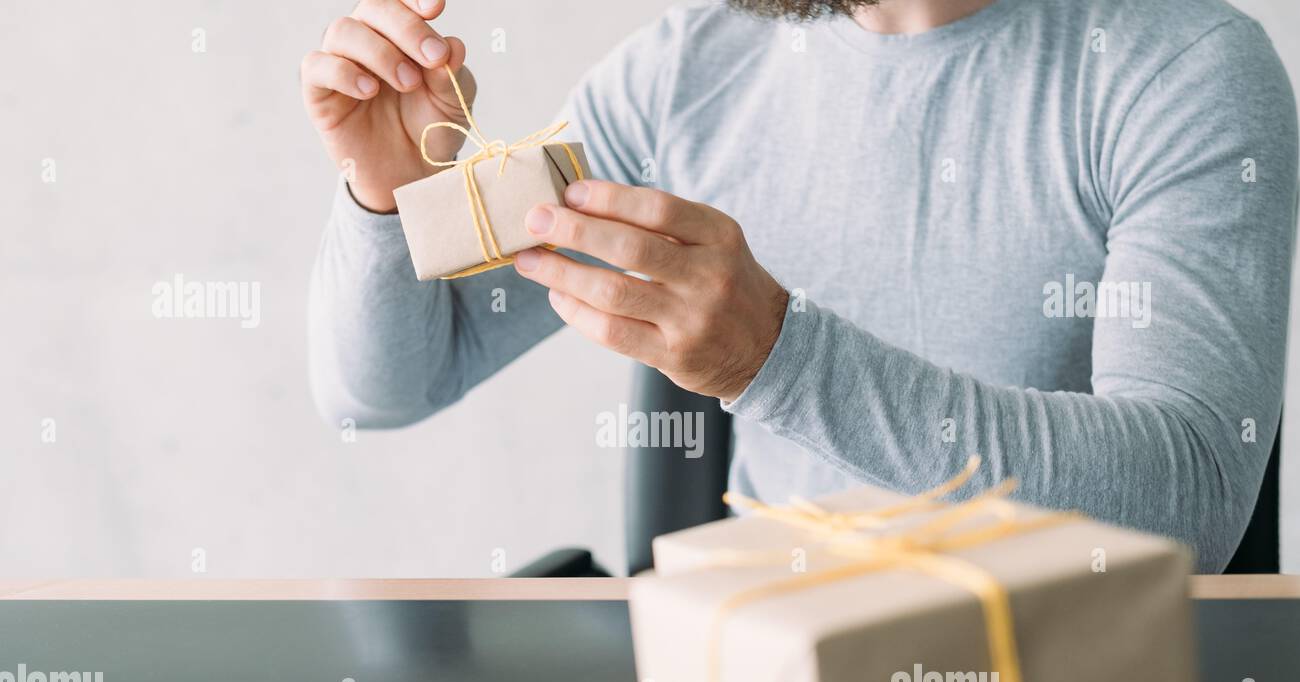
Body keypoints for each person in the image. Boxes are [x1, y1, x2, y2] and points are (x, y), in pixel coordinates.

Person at [301, 0, 1297, 572]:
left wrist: (777, 356)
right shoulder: (688, 70)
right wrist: (383, 199)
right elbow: (385, 386)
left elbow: (1191, 504)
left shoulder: (1178, 69)